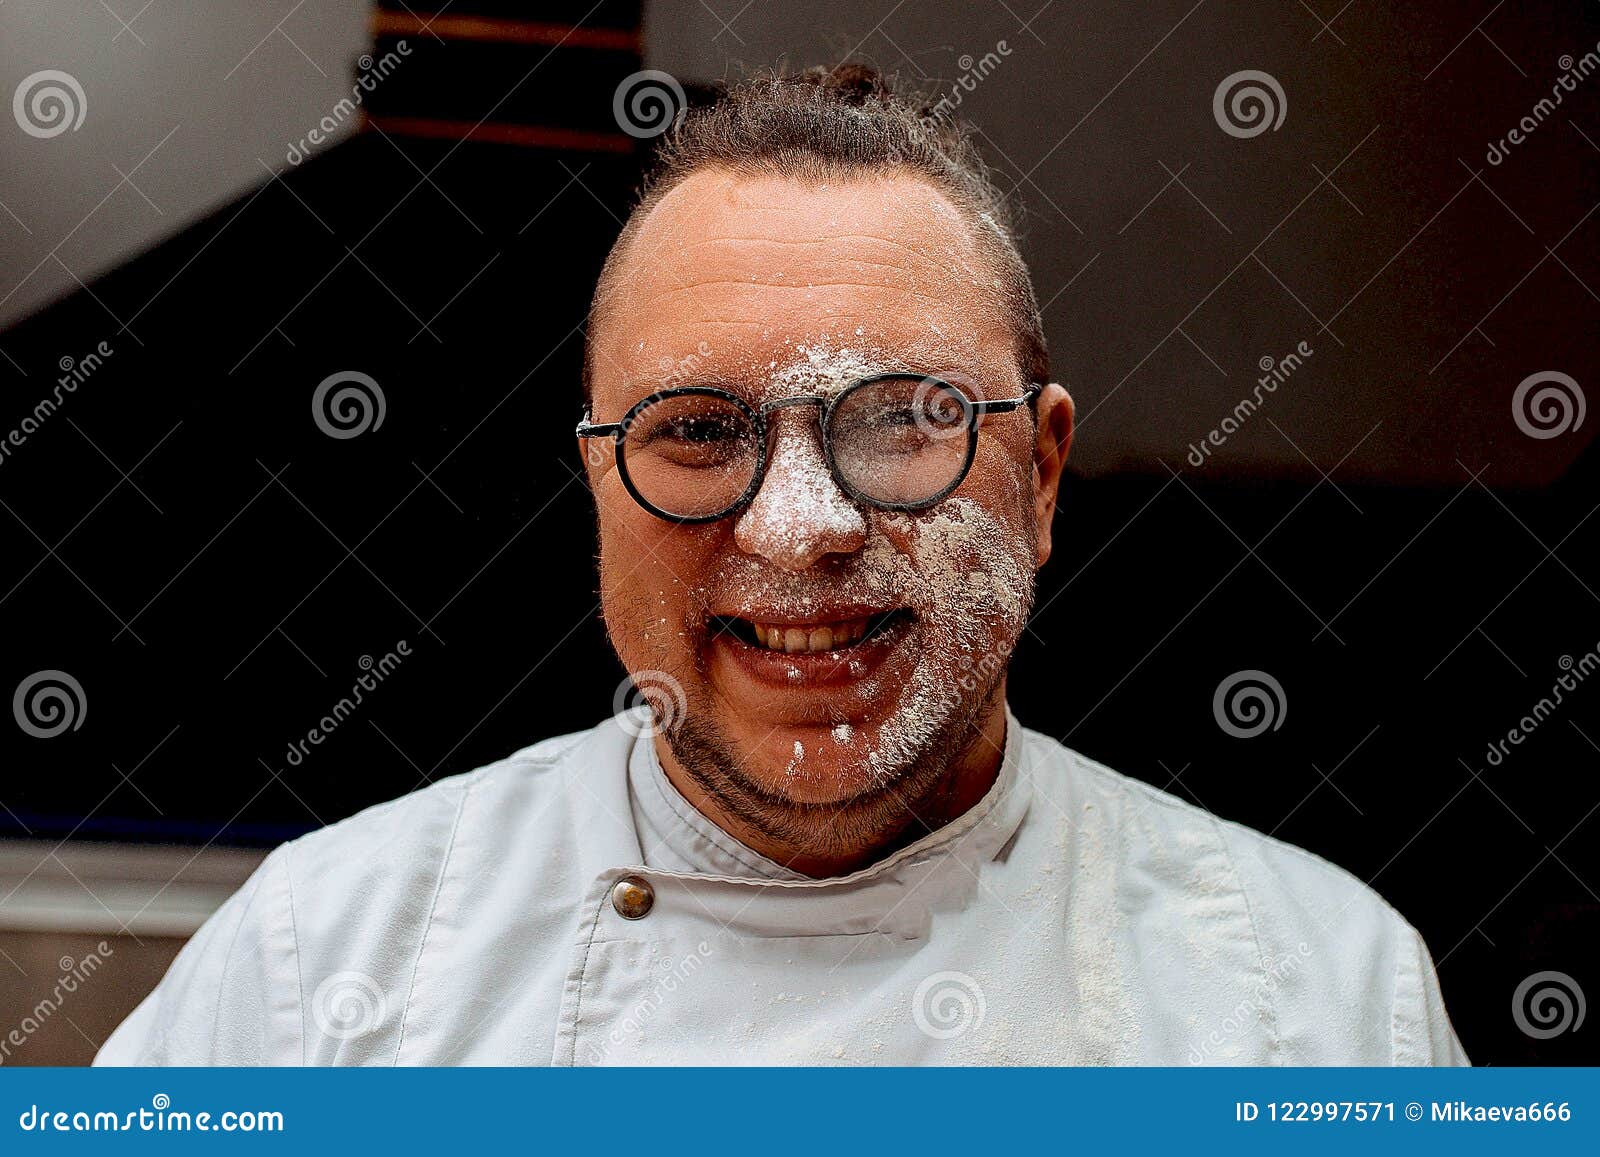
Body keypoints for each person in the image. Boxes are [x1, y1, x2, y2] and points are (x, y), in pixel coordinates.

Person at [97, 65, 1466, 1066]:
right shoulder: (314, 973)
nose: (799, 523)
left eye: (902, 419)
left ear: (1040, 478)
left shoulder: (1317, 1000)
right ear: (596, 486)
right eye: (697, 431)